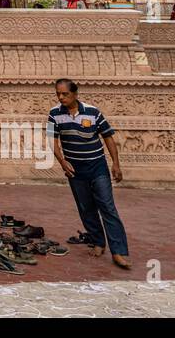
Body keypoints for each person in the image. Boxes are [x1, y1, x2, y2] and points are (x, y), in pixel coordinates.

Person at [48, 78, 130, 270]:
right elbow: (53, 141)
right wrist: (62, 162)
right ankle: (98, 242)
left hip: (97, 166)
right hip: (75, 170)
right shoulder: (54, 114)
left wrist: (116, 164)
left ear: (75, 94)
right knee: (86, 208)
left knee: (107, 207)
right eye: (58, 94)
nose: (61, 97)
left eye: (65, 94)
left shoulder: (93, 112)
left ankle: (119, 252)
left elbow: (108, 138)